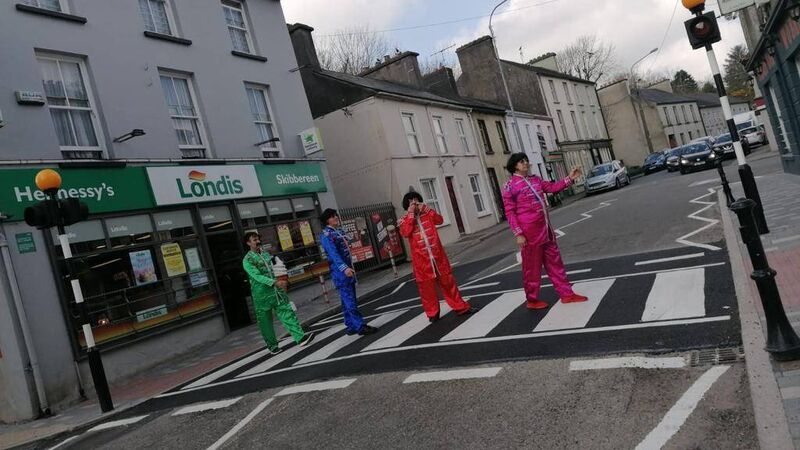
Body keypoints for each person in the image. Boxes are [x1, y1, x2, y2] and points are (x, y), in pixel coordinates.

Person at [501, 153, 588, 309]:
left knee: (555, 262)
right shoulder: (510, 186)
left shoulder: (536, 179)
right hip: (529, 232)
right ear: (515, 165)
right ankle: (532, 300)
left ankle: (567, 294)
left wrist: (570, 178)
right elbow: (510, 212)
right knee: (531, 268)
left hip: (545, 229)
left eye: (526, 160)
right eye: (522, 161)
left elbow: (553, 187)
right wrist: (518, 233)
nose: (526, 163)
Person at [399, 191, 477, 322]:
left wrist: (427, 209)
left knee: (448, 282)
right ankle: (432, 313)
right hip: (421, 261)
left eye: (416, 200)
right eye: (411, 201)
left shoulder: (428, 213)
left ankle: (461, 307)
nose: (414, 203)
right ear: (407, 205)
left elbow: (439, 220)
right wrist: (411, 214)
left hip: (437, 256)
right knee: (426, 289)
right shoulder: (404, 220)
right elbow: (406, 232)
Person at [242, 231, 314, 354]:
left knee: (287, 312)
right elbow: (256, 276)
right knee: (265, 322)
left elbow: (276, 270)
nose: (258, 241)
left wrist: (283, 280)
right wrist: (274, 282)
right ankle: (273, 346)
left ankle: (300, 338)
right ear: (248, 243)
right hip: (261, 296)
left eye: (258, 239)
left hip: (276, 291)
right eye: (254, 240)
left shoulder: (265, 255)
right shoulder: (247, 260)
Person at [319, 208, 378, 335]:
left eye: (336, 215)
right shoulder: (327, 235)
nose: (336, 218)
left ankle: (351, 325)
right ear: (326, 220)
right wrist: (344, 268)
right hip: (340, 273)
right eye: (333, 216)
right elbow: (333, 254)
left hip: (347, 270)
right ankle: (360, 326)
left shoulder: (338, 232)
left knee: (346, 300)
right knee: (350, 300)